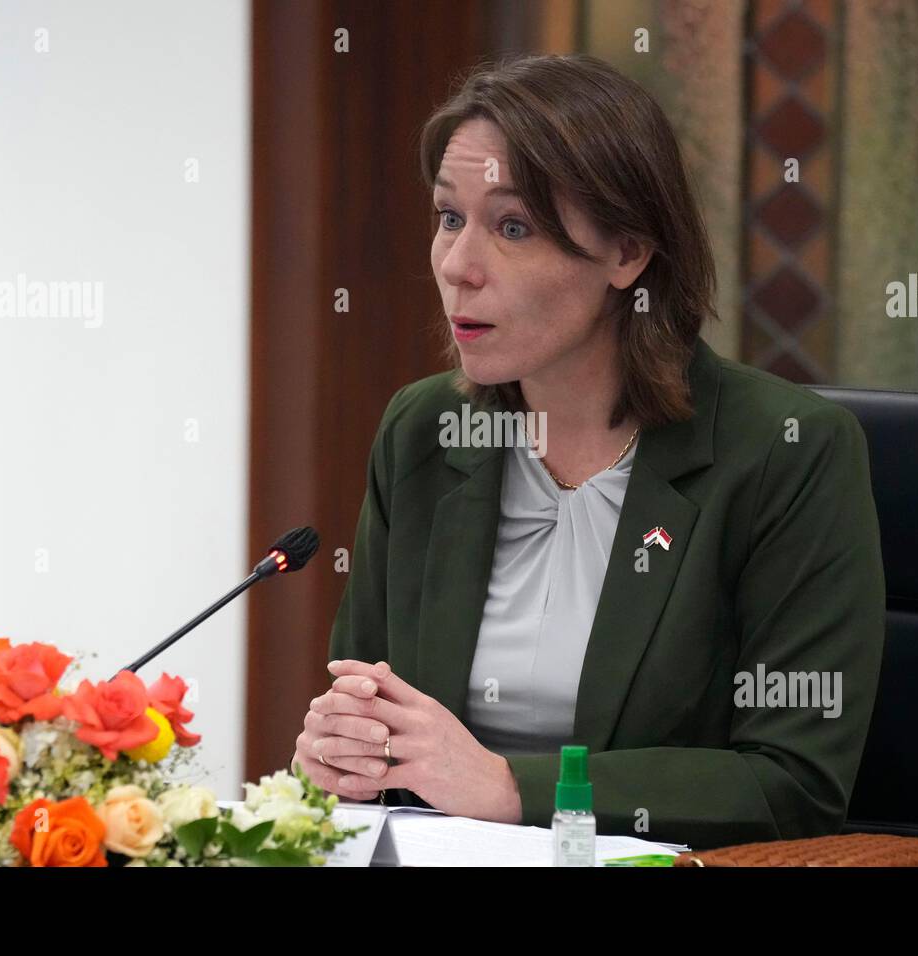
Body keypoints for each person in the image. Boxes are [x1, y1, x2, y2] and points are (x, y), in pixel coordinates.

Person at [288, 53, 885, 850]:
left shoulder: (786, 451)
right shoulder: (426, 433)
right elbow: (375, 713)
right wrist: (344, 752)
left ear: (627, 254)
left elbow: (793, 784)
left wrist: (507, 787)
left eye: (512, 227)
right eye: (448, 217)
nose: (458, 266)